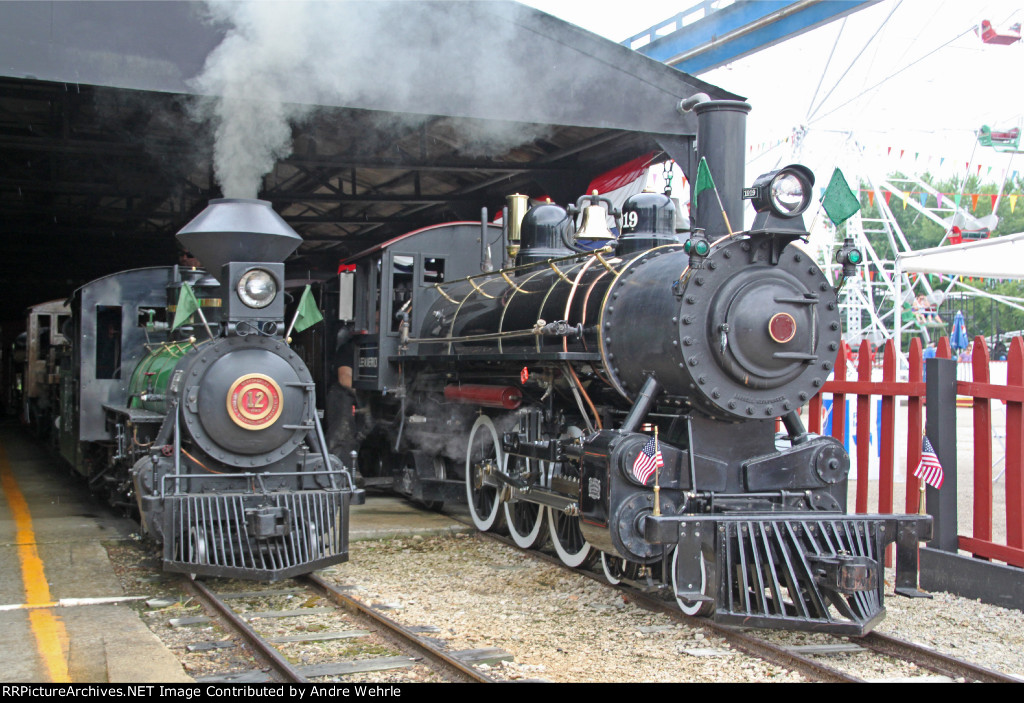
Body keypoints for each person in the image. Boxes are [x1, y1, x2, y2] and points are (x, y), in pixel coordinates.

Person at [326, 327, 362, 485]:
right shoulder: (348, 348)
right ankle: (338, 473)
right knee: (343, 428)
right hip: (344, 395)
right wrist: (365, 394)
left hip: (367, 397)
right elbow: (344, 378)